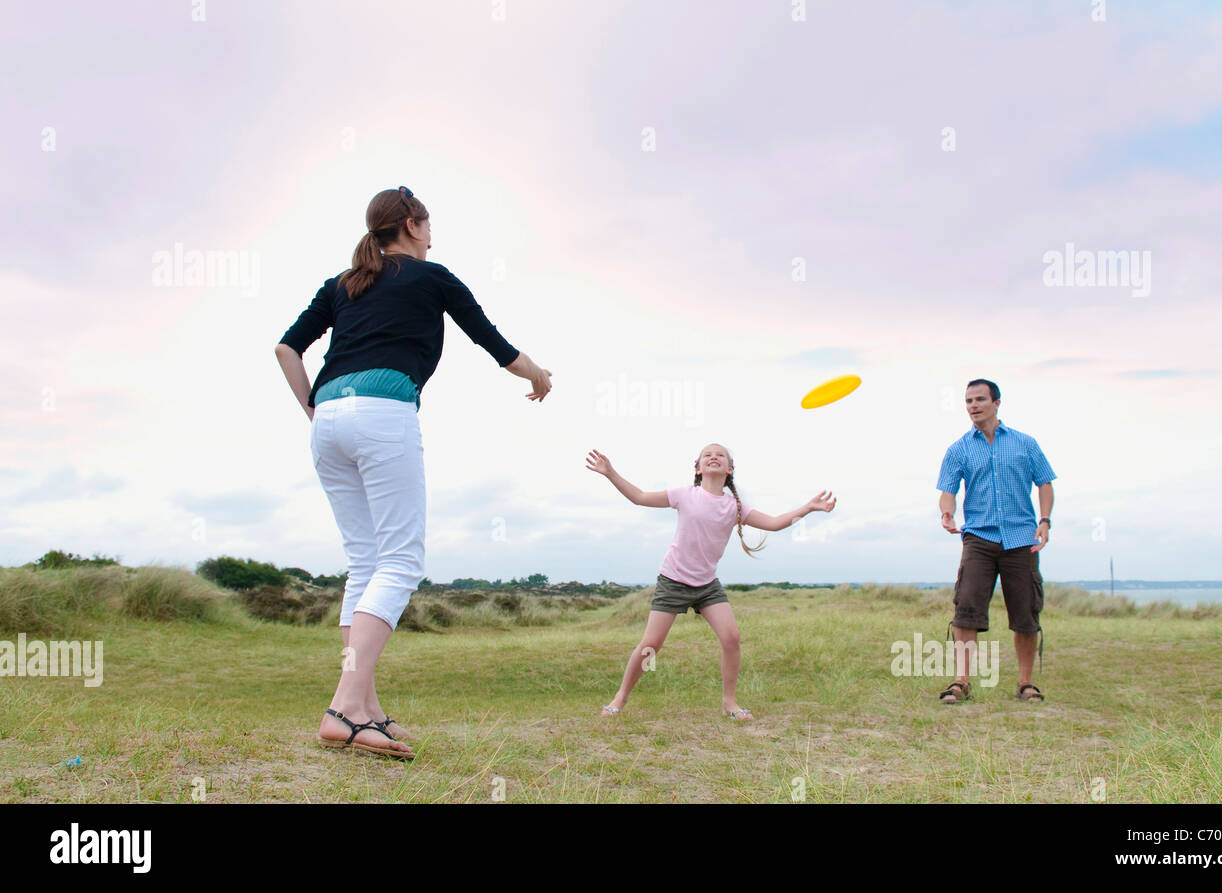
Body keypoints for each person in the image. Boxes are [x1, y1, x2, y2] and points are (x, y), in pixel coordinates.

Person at [274, 186, 553, 758]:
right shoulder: (434, 277)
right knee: (401, 560)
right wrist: (539, 377)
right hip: (383, 413)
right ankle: (345, 708)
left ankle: (367, 707)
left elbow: (286, 349)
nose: (434, 234)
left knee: (364, 562)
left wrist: (314, 409)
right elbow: (496, 346)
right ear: (410, 224)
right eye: (430, 224)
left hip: (327, 419)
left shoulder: (342, 284)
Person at [587, 443, 836, 720]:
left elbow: (775, 523)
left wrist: (810, 508)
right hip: (673, 580)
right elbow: (640, 497)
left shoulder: (733, 507)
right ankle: (620, 698)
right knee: (651, 645)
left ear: (729, 469)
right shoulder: (684, 495)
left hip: (707, 585)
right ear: (697, 467)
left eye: (720, 455)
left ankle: (729, 703)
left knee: (732, 638)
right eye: (708, 454)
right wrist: (611, 473)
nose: (714, 457)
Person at [935, 379, 1055, 704]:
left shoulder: (1025, 444)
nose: (973, 406)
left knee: (1026, 614)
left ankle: (1025, 684)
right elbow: (948, 490)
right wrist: (947, 514)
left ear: (996, 402)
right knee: (966, 608)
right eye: (968, 401)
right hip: (978, 538)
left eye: (979, 399)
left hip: (1021, 539)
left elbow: (1044, 483)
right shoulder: (958, 449)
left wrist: (1044, 520)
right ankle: (961, 682)